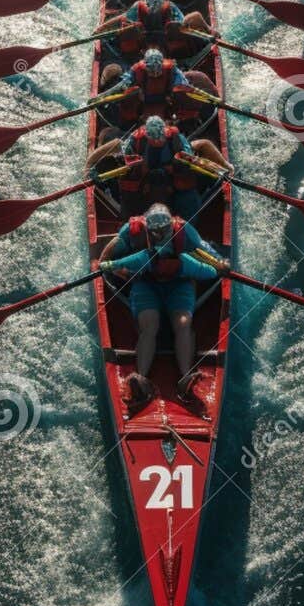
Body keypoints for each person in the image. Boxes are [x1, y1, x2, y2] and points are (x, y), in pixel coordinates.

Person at [97, 202, 228, 408]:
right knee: (150, 325)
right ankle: (140, 379)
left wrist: (221, 264)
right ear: (147, 228)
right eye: (155, 232)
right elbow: (109, 255)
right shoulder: (133, 231)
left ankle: (186, 377)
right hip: (145, 284)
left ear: (171, 227)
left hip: (179, 284)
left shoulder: (185, 232)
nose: (160, 236)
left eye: (164, 232)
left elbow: (206, 252)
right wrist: (110, 269)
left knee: (183, 323)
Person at [86, 112, 230, 218]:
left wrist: (178, 165)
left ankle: (228, 169)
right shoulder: (135, 141)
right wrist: (91, 167)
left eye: (160, 137)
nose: (157, 141)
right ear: (147, 135)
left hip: (172, 178)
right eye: (153, 138)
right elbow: (118, 146)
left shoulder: (176, 139)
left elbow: (188, 157)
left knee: (189, 195)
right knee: (128, 197)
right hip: (144, 181)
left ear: (165, 132)